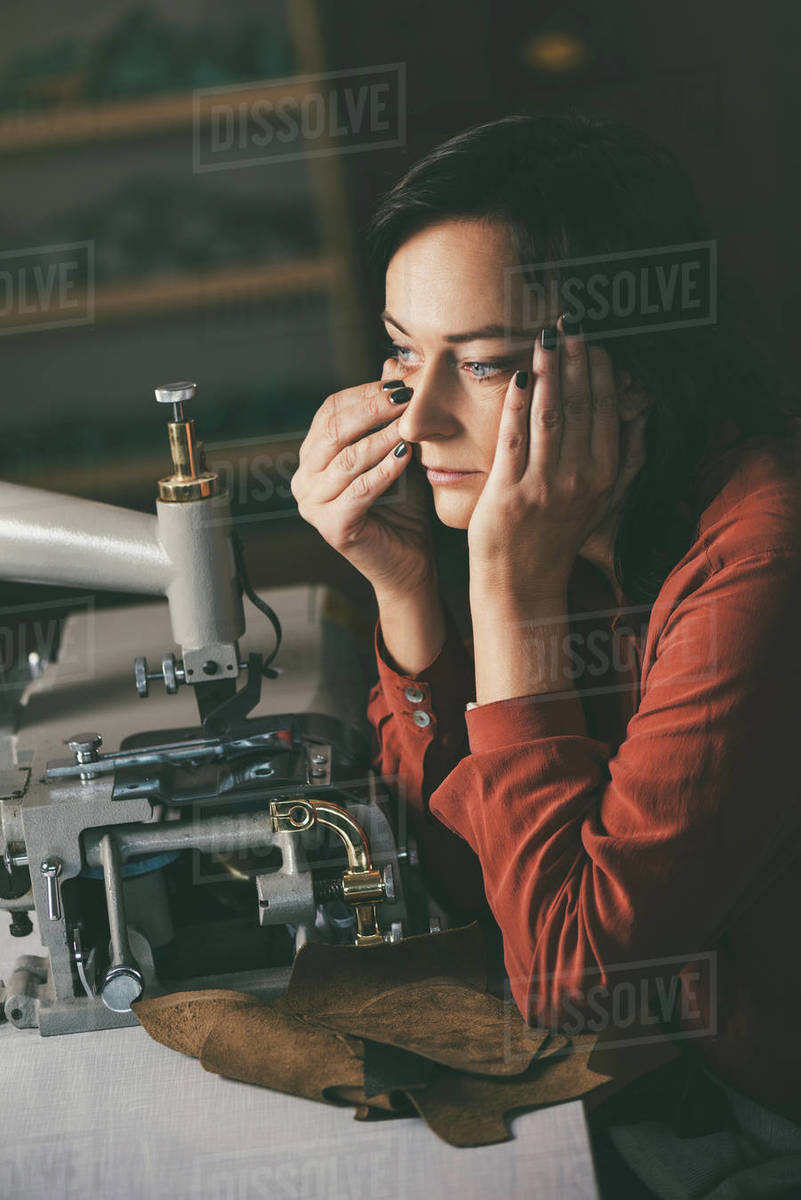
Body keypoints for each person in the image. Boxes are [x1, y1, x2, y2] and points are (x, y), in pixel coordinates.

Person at [291, 112, 801, 1197]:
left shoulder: (760, 562)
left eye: (482, 365)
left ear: (636, 370)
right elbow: (459, 885)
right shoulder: (562, 525)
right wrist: (407, 591)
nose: (418, 418)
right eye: (399, 351)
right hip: (687, 1084)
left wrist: (509, 597)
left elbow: (570, 981)